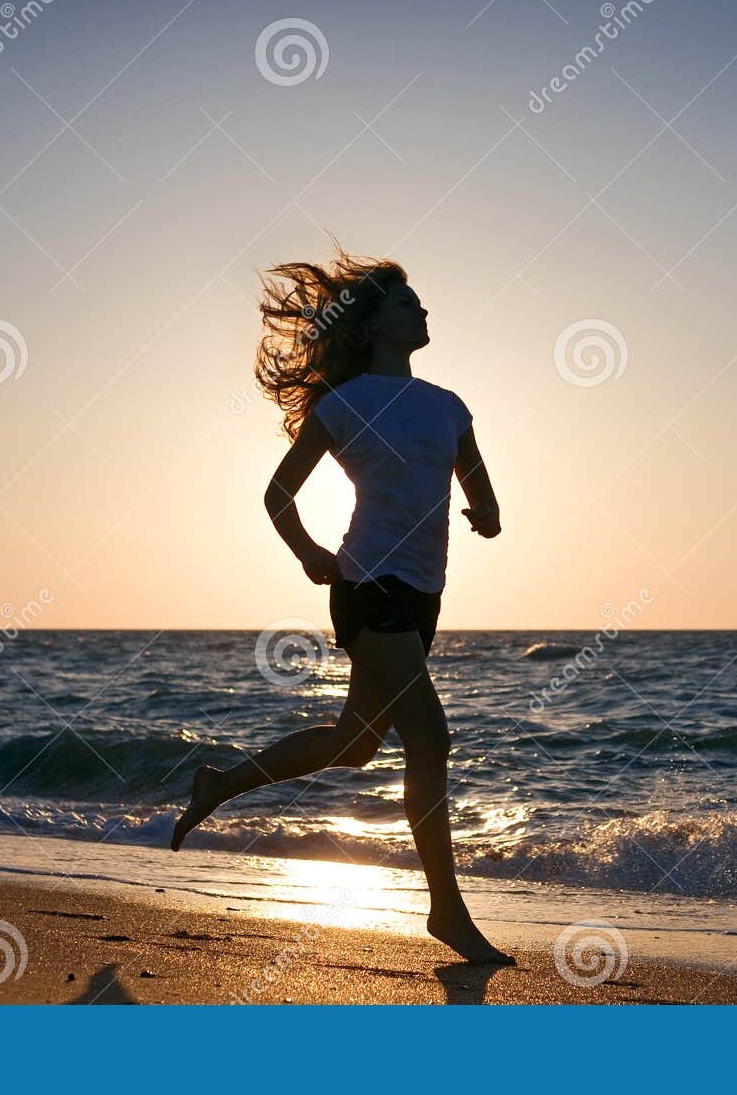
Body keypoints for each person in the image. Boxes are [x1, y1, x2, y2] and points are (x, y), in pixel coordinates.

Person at [170, 249, 512, 964]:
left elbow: (484, 497)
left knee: (355, 745)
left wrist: (485, 512)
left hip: (424, 595)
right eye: (406, 305)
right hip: (368, 583)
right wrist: (308, 552)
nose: (421, 311)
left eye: (421, 305)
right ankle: (446, 910)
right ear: (375, 325)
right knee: (431, 737)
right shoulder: (343, 404)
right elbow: (278, 494)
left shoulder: (449, 407)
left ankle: (220, 782)